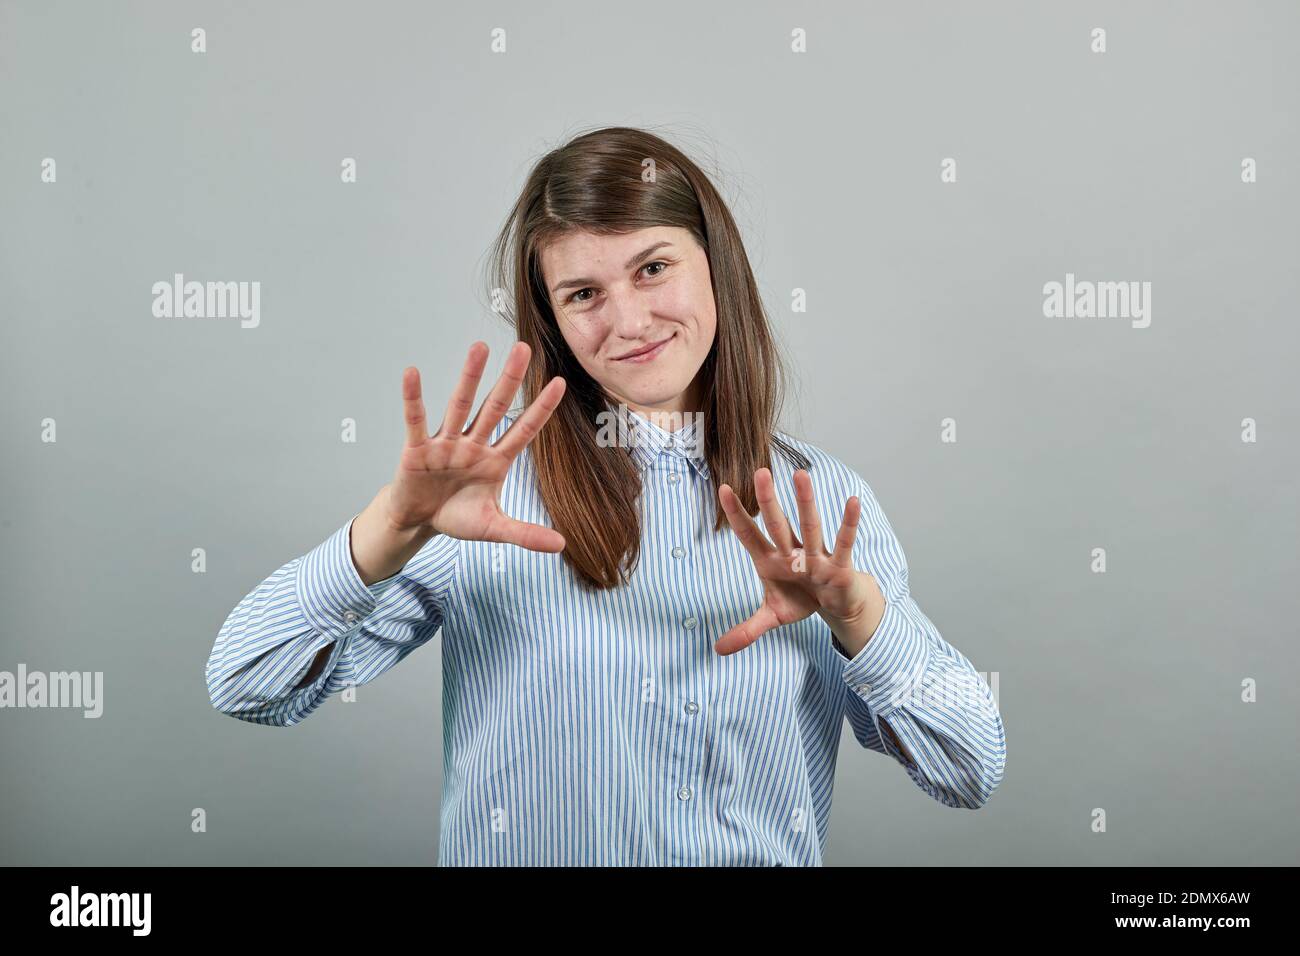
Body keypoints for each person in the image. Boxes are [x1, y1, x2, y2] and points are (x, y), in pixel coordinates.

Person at [206, 126, 1006, 865]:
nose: (629, 320)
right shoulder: (483, 501)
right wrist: (391, 525)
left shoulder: (821, 502)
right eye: (583, 294)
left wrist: (860, 618)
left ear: (715, 266)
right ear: (552, 319)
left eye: (653, 268)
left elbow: (971, 770)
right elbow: (246, 685)